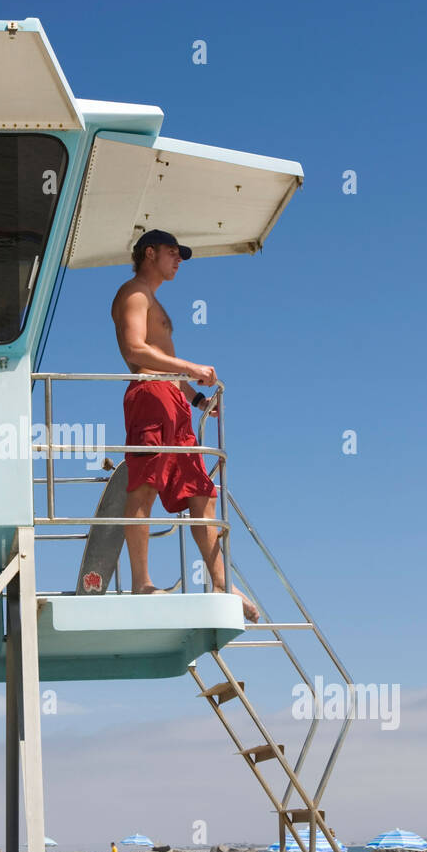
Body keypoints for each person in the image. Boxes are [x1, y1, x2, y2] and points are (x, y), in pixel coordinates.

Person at [111, 231, 258, 619]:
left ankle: (222, 583)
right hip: (149, 397)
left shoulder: (152, 298)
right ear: (150, 253)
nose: (179, 261)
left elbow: (160, 359)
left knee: (202, 492)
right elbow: (135, 350)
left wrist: (195, 399)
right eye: (173, 253)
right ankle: (142, 583)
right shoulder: (134, 294)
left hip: (173, 402)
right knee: (143, 487)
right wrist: (190, 366)